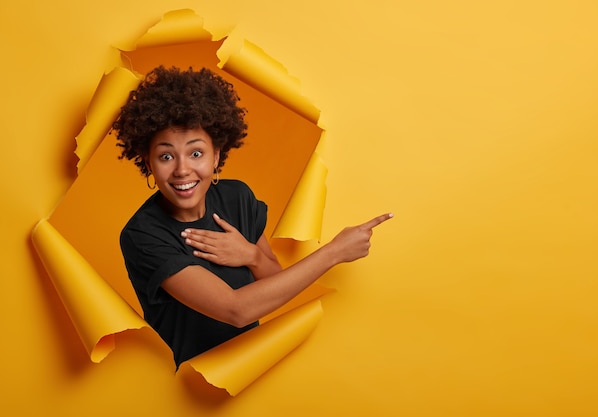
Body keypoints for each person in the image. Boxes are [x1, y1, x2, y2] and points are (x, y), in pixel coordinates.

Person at [112, 66, 392, 368]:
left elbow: (275, 282)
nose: (182, 170)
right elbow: (237, 310)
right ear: (147, 162)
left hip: (254, 367)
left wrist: (250, 256)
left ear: (216, 155)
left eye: (196, 153)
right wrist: (334, 252)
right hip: (193, 386)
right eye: (166, 156)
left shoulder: (236, 198)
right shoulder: (142, 235)